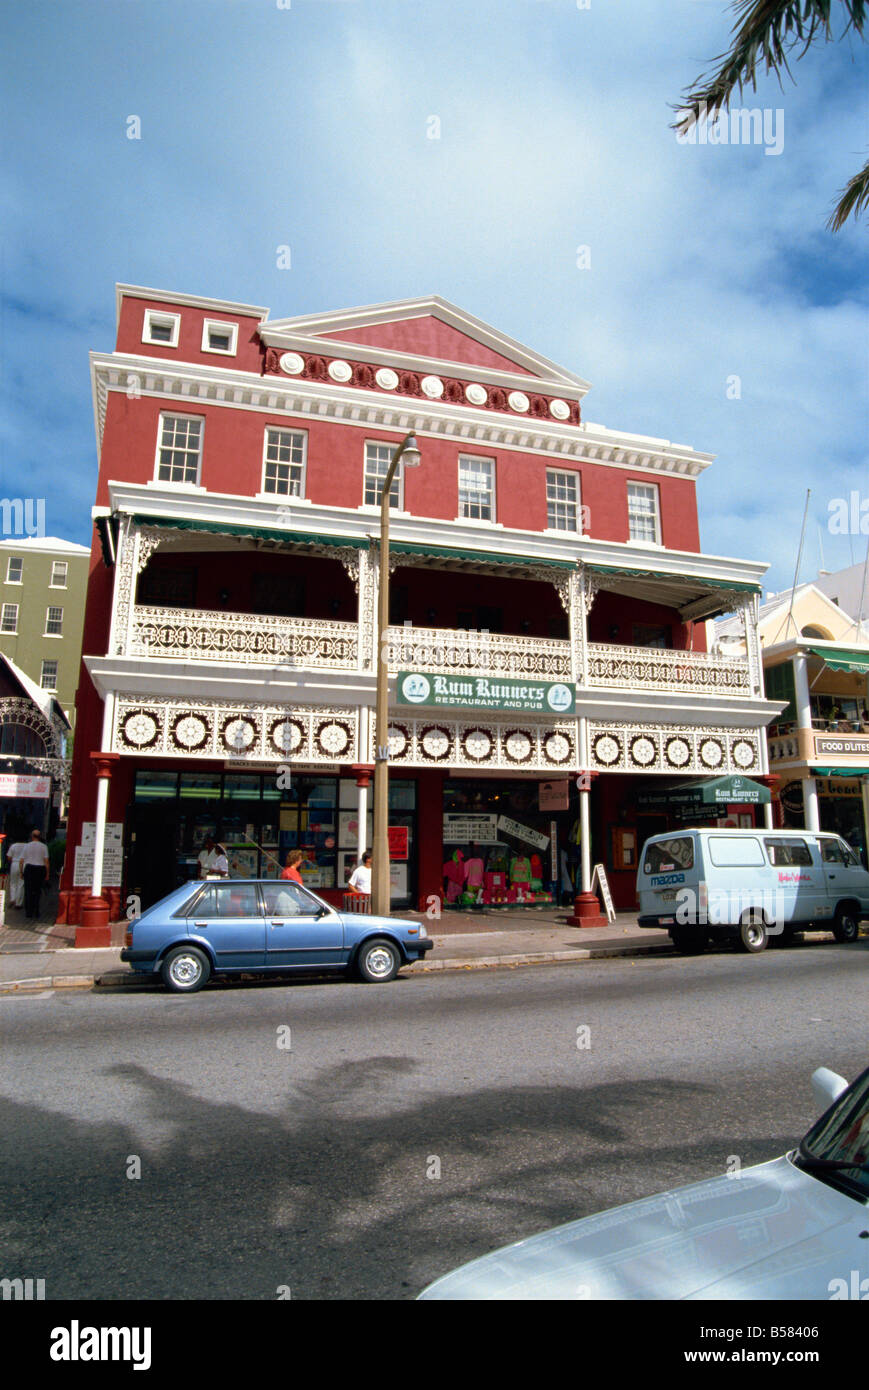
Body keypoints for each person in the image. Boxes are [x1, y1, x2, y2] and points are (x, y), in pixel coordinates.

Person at [21, 829, 50, 920]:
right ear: (40, 836)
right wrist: (47, 874)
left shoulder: (27, 846)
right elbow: (46, 862)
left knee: (28, 891)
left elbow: (21, 861)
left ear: (32, 836)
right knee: (37, 891)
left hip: (29, 868)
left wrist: (21, 872)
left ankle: (28, 911)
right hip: (39, 869)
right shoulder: (44, 847)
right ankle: (36, 910)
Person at [7, 837, 25, 908]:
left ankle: (12, 898)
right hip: (23, 864)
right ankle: (18, 903)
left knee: (13, 883)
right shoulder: (27, 846)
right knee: (21, 883)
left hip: (14, 863)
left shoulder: (13, 845)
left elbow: (9, 857)